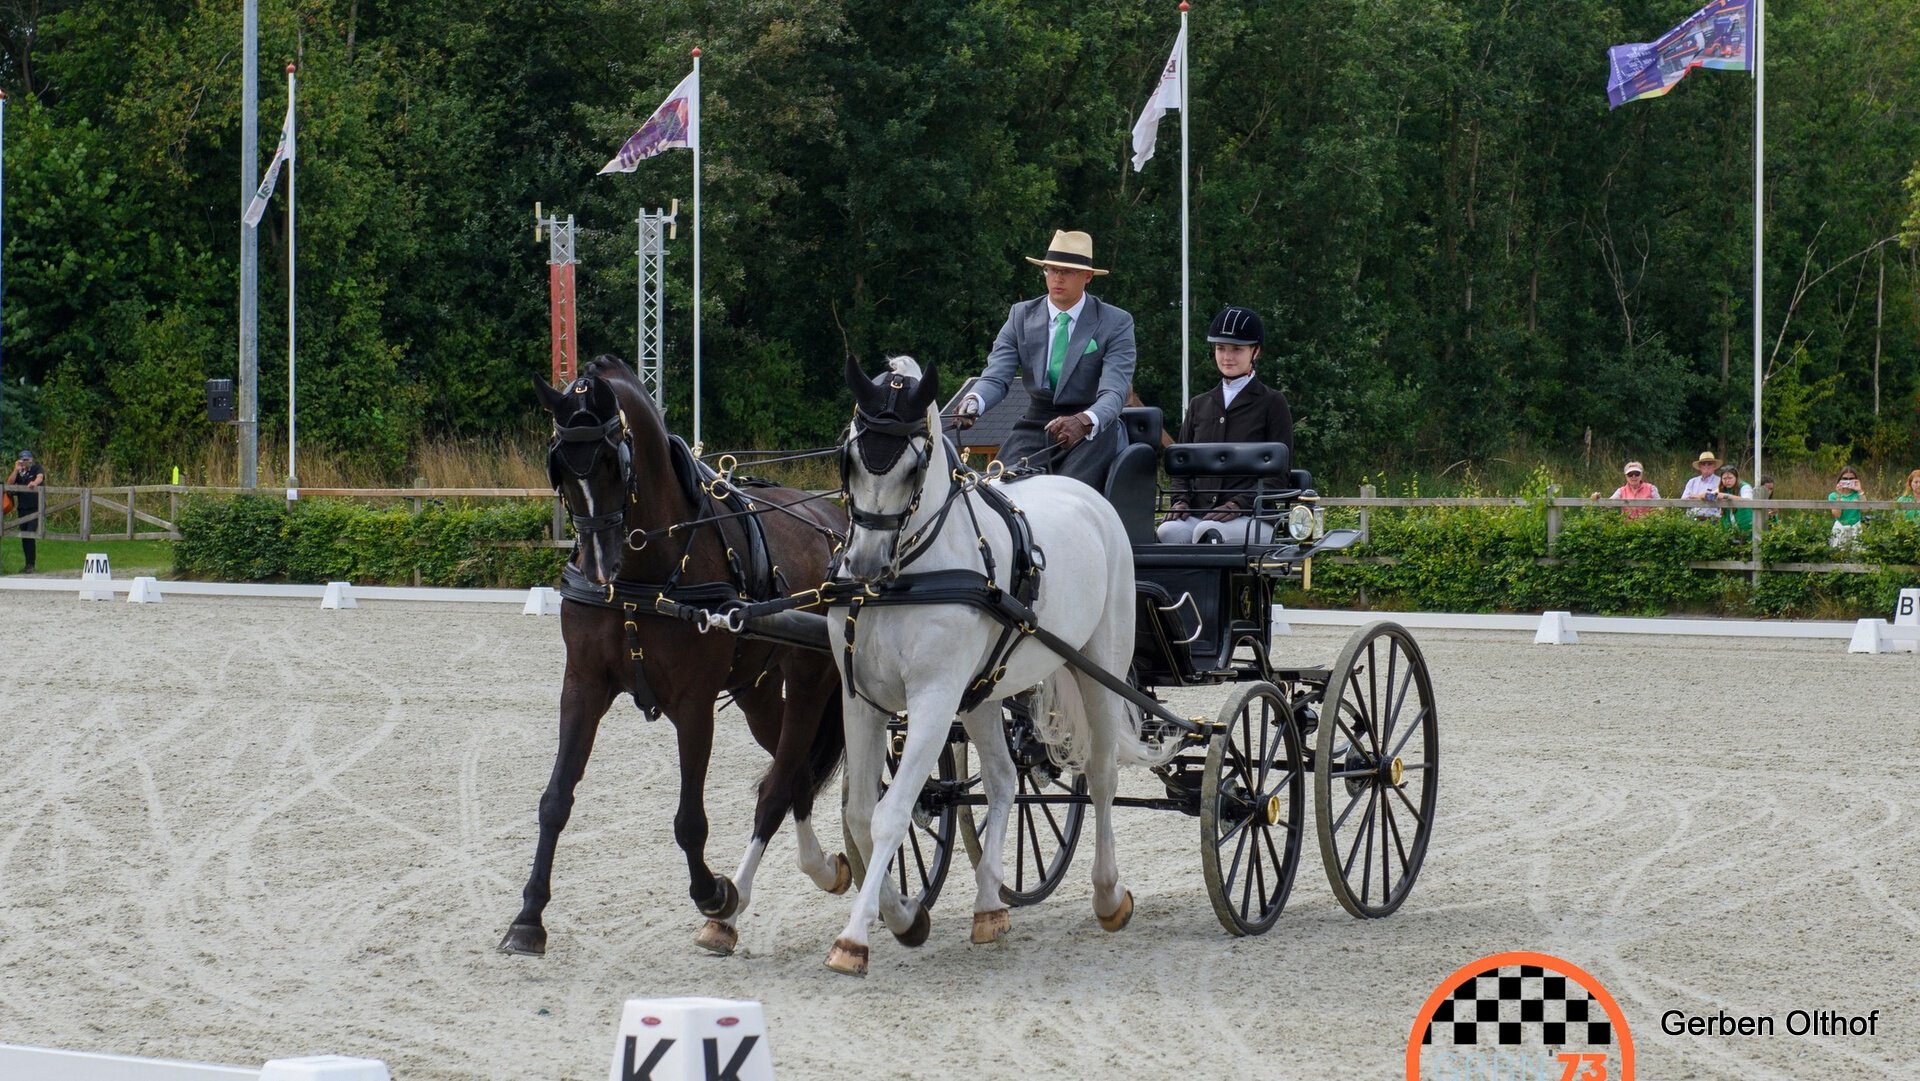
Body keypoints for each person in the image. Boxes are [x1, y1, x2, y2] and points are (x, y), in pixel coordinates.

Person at [955, 229, 1137, 487]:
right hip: (1036, 425)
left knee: (1067, 496)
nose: (1057, 278)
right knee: (994, 490)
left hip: (1091, 429)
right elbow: (996, 376)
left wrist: (1085, 420)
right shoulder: (1020, 315)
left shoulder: (1116, 322)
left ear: (1087, 277)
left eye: (1068, 271)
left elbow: (1114, 392)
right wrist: (974, 400)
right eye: (1051, 270)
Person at [1156, 306, 1295, 544]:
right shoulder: (1199, 404)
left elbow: (1279, 474)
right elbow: (1181, 465)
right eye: (1221, 348)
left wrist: (1238, 504)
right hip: (1200, 512)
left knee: (1208, 532)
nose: (1227, 357)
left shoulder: (1272, 402)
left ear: (1256, 351)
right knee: (1168, 532)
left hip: (1253, 514)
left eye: (1237, 349)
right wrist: (1181, 499)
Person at [7, 449, 45, 573]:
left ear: (31, 459)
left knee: (30, 534)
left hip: (35, 508)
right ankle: (28, 564)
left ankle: (31, 564)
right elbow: (9, 483)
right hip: (22, 508)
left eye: (26, 460)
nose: (24, 462)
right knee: (24, 536)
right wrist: (15, 469)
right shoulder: (19, 472)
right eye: (22, 460)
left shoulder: (36, 468)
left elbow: (40, 477)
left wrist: (34, 483)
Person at [1828, 466, 1866, 550]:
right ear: (1840, 479)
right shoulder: (1833, 496)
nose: (1848, 481)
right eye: (1845, 479)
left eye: (1851, 479)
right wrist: (1839, 495)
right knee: (1838, 555)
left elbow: (1865, 510)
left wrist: (1860, 490)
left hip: (1856, 528)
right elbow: (1837, 514)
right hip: (1840, 528)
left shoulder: (1858, 495)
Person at [1680, 450, 1723, 521]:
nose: (1706, 466)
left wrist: (1696, 496)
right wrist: (1705, 497)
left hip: (1713, 519)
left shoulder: (1720, 481)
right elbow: (1684, 500)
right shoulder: (1692, 482)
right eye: (1703, 463)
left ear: (1714, 466)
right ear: (1699, 466)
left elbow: (1717, 497)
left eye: (1709, 463)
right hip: (1692, 519)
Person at [1717, 465, 1755, 531]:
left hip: (1746, 524)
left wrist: (1726, 496)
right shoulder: (1722, 488)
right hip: (1728, 527)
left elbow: (1747, 501)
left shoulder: (1745, 487)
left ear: (1736, 477)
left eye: (1730, 478)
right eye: (1724, 478)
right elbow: (1711, 494)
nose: (1727, 481)